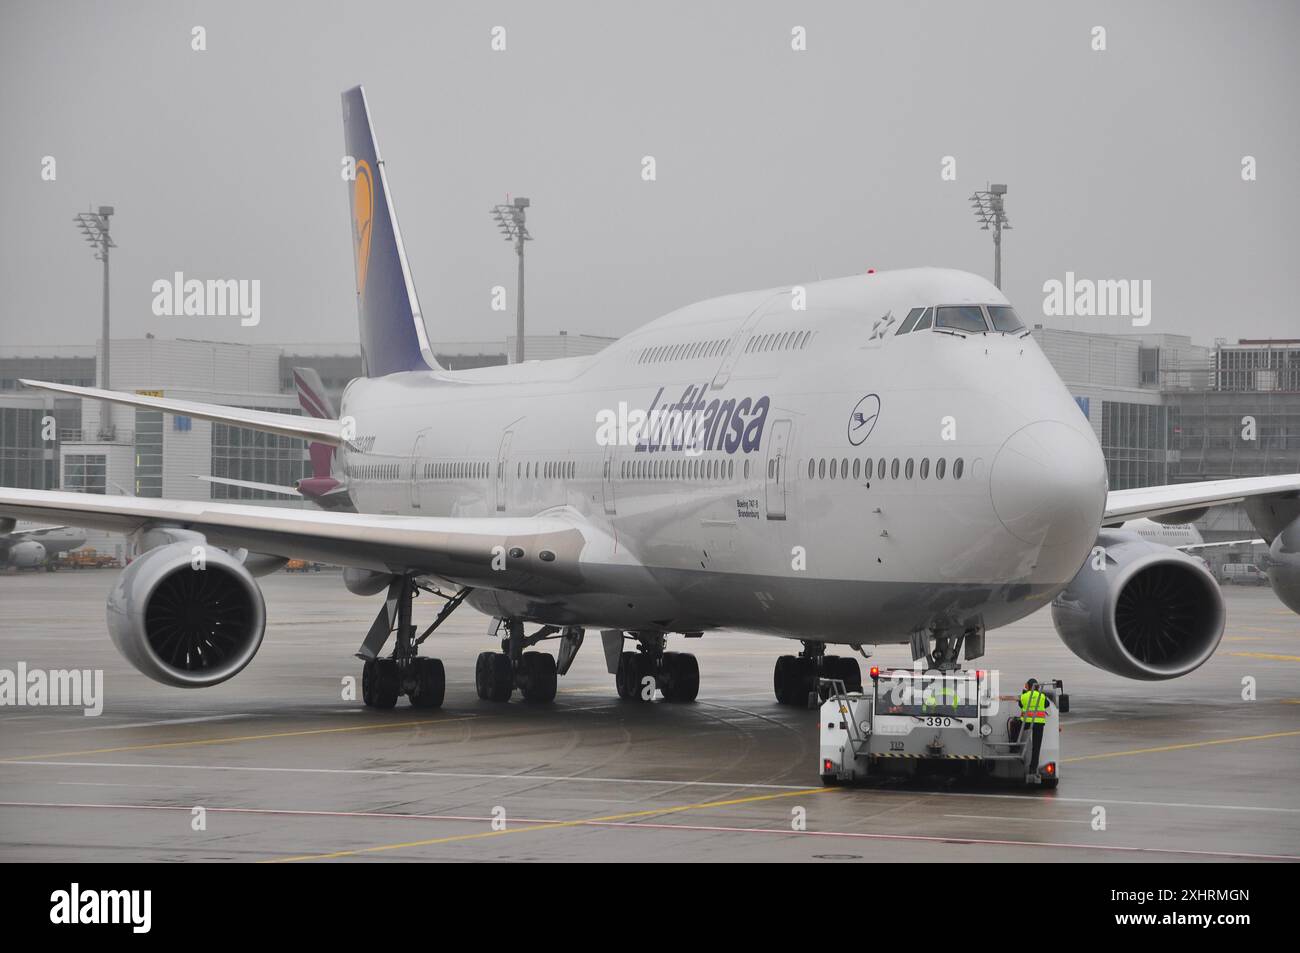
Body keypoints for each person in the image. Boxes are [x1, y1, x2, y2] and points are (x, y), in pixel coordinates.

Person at [1018, 678, 1052, 773]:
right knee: (1036, 747)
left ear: (1028, 686)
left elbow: (1020, 705)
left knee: (1015, 727)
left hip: (1027, 723)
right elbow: (1047, 704)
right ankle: (1033, 769)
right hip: (1039, 724)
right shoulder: (1042, 696)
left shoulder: (1025, 696)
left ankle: (1014, 747)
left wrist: (1024, 692)